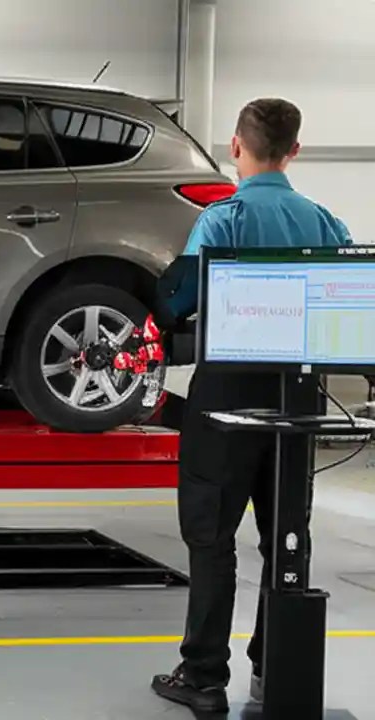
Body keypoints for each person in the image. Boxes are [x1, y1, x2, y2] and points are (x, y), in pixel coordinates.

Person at [148, 98, 353, 713]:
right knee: (287, 532)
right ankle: (276, 663)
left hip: (227, 396)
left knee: (211, 535)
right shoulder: (325, 222)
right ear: (295, 150)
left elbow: (178, 303)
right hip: (298, 398)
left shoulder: (222, 219)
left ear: (237, 146)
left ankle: (204, 675)